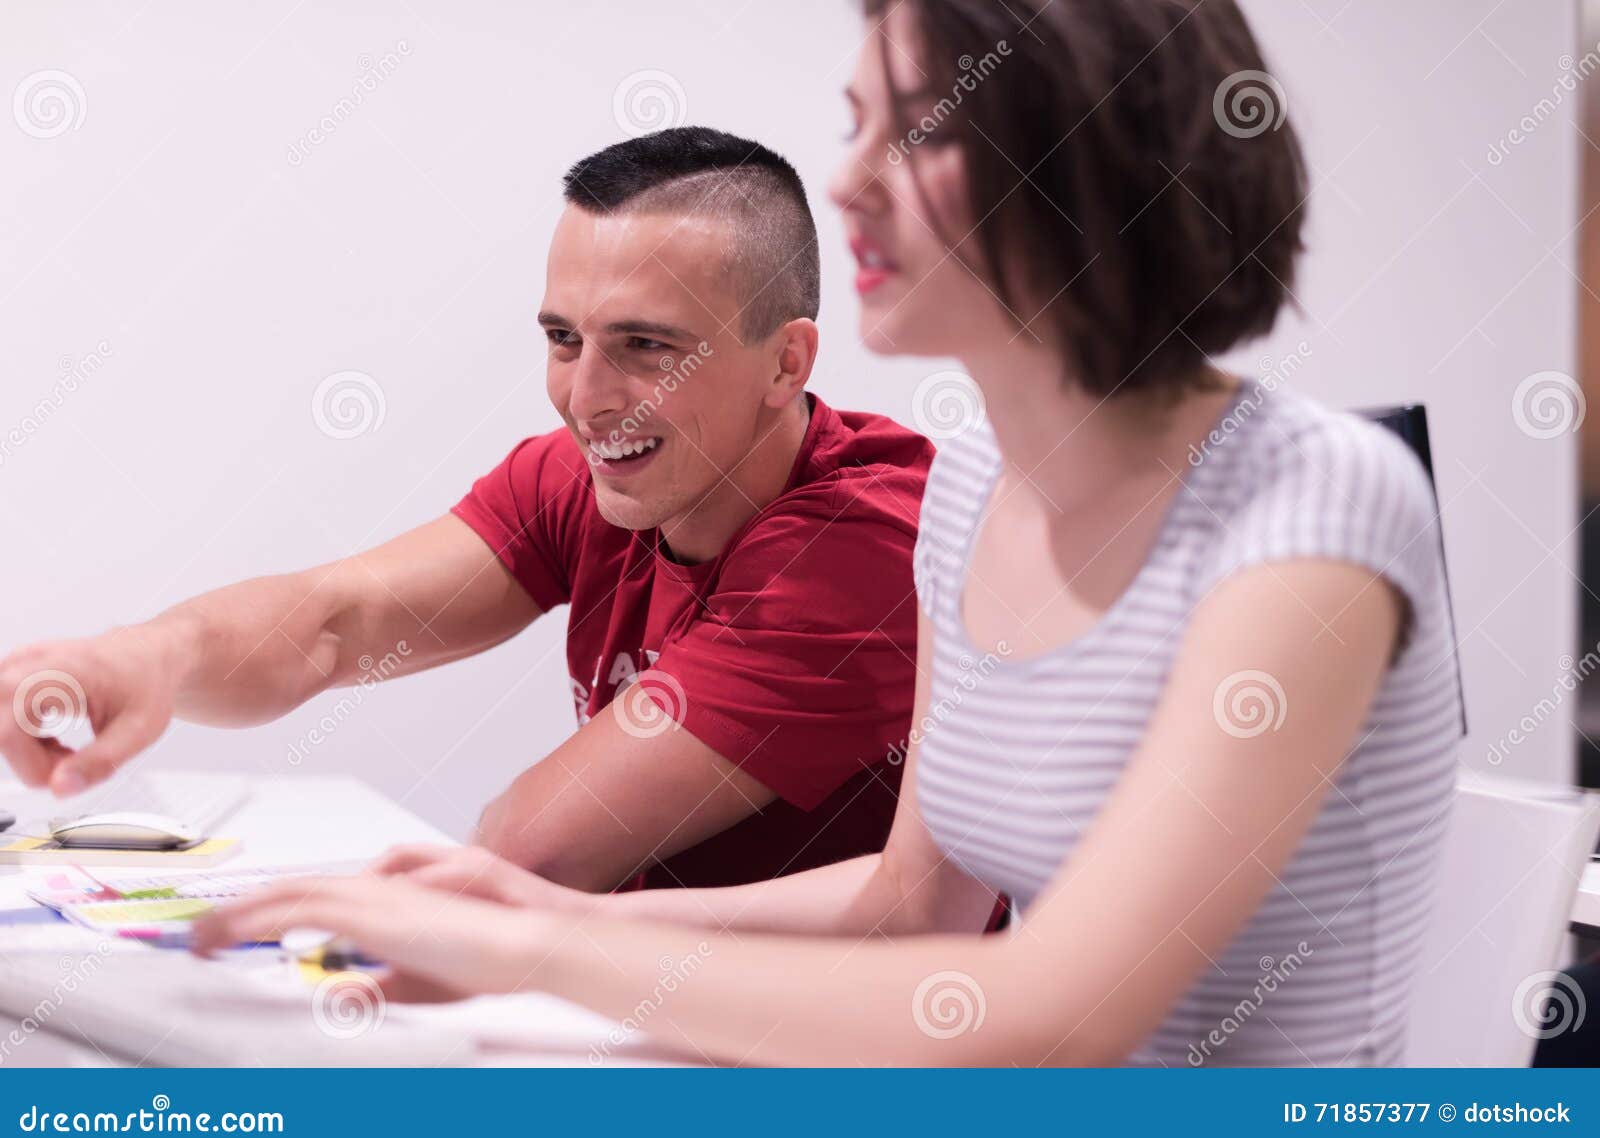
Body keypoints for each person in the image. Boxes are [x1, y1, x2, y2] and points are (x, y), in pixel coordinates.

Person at [197, 0, 1463, 1066]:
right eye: (860, 126)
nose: (848, 182)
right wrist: (535, 920)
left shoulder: (1320, 501)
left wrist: (539, 949)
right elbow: (911, 907)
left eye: (921, 132)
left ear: (1092, 163)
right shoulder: (974, 491)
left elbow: (1060, 1013)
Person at [0, 127, 931, 893]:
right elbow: (333, 622)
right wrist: (148, 657)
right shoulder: (602, 473)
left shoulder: (865, 546)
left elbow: (534, 851)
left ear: (786, 363)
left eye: (647, 346)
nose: (585, 399)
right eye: (563, 338)